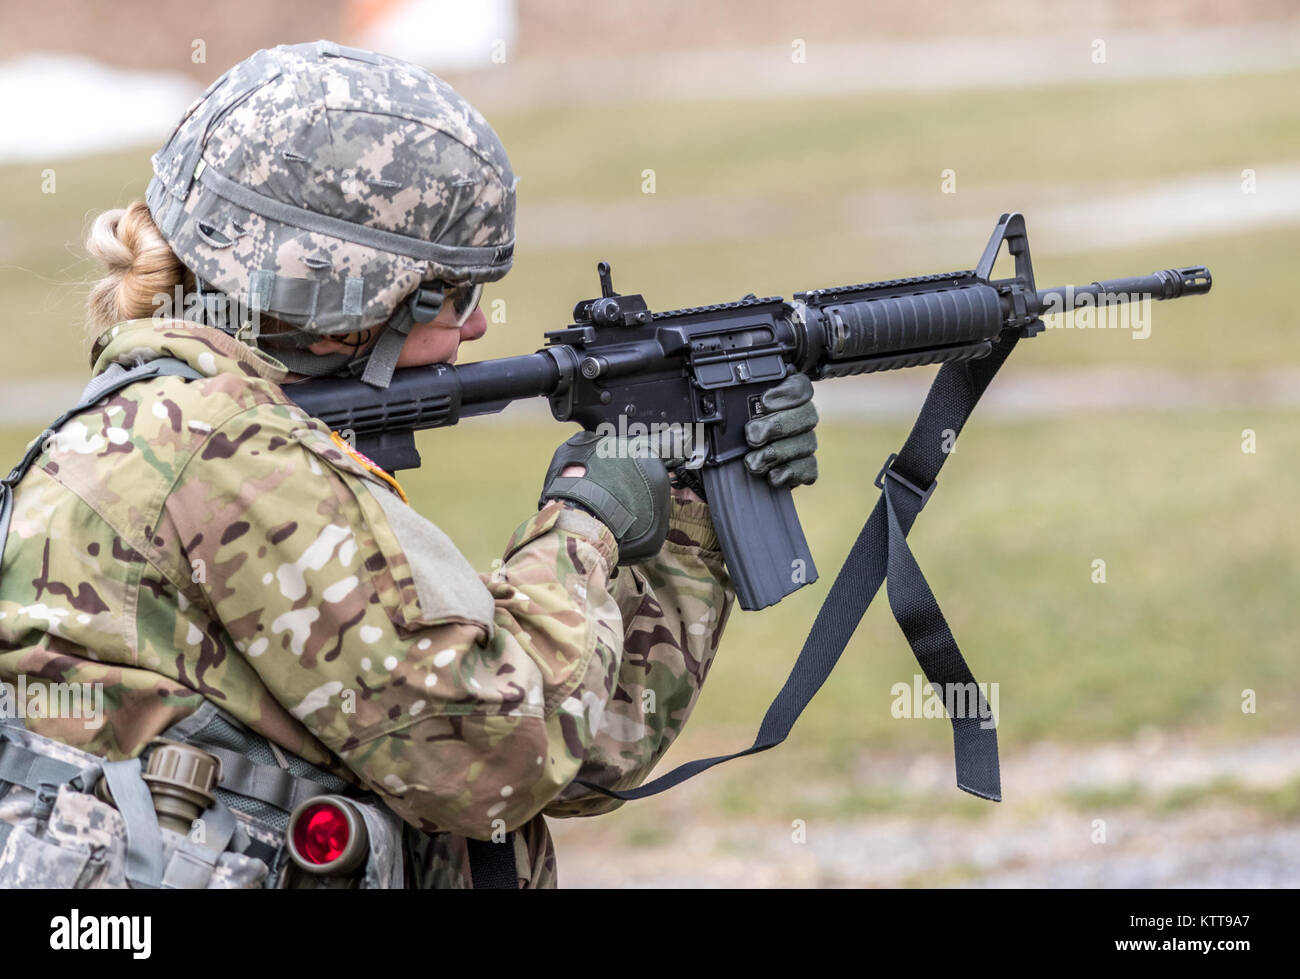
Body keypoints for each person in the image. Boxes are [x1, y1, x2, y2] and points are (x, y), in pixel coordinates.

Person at [0, 41, 818, 888]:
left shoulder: (191, 425)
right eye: (452, 297)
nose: (476, 330)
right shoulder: (226, 455)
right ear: (338, 308)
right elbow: (500, 752)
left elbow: (586, 749)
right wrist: (585, 522)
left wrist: (694, 498)